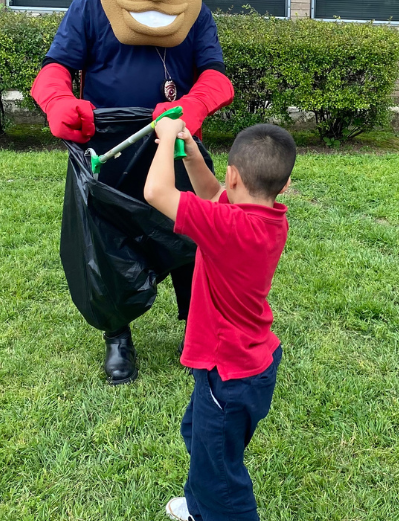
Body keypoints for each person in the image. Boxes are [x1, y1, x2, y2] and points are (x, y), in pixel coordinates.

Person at [30, 0, 235, 385]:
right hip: (108, 151)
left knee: (193, 231)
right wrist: (59, 103)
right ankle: (117, 335)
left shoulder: (194, 13)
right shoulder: (90, 8)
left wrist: (193, 107)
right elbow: (54, 69)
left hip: (175, 143)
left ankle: (199, 327)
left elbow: (216, 76)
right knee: (107, 243)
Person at [144, 119, 296, 521]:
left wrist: (165, 138)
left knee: (221, 477)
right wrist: (190, 151)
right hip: (247, 366)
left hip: (228, 374)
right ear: (284, 185)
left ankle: (211, 506)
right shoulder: (270, 219)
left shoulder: (228, 227)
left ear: (232, 175)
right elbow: (213, 194)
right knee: (199, 436)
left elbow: (156, 191)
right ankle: (199, 506)